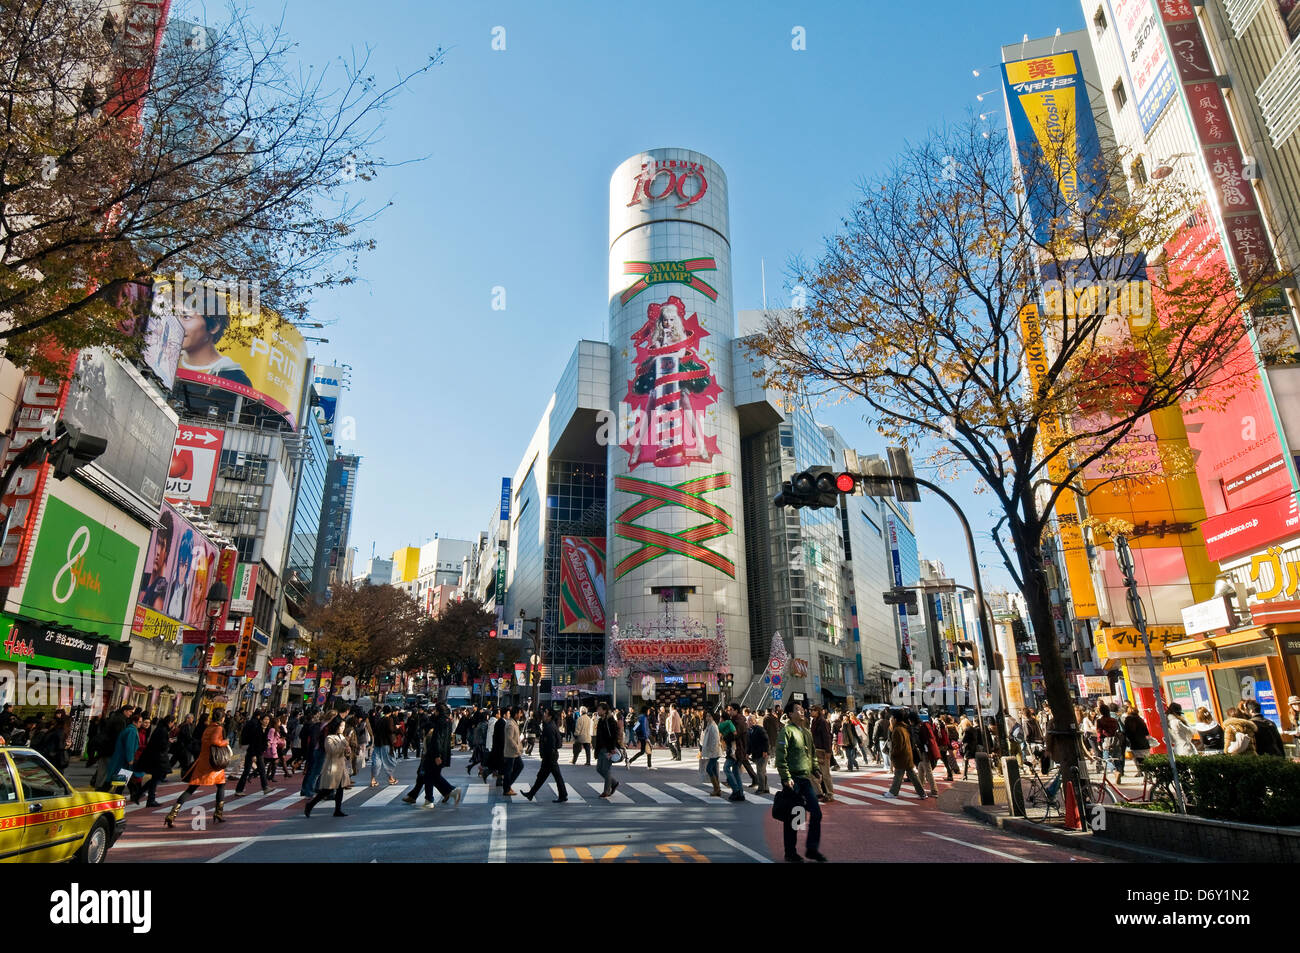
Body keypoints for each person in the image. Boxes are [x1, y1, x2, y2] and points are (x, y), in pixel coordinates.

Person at [775, 703, 826, 863]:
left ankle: (812, 848)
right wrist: (785, 777)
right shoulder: (786, 731)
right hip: (793, 781)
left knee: (816, 813)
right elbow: (780, 757)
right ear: (790, 714)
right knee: (795, 818)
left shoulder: (807, 732)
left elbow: (811, 754)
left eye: (802, 709)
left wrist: (816, 769)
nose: (802, 711)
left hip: (805, 779)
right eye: (797, 709)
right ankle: (790, 852)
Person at [166, 709, 230, 827]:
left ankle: (172, 813)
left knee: (191, 788)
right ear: (222, 718)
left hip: (203, 761)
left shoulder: (208, 728)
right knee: (221, 785)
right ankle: (218, 812)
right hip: (213, 763)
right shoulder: (218, 728)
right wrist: (225, 742)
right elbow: (215, 741)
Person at [304, 716, 351, 818]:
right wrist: (343, 746)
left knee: (340, 788)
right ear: (336, 726)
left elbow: (345, 752)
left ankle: (337, 810)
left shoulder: (341, 737)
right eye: (341, 726)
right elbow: (332, 751)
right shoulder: (329, 738)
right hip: (332, 766)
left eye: (344, 726)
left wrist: (348, 751)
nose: (343, 728)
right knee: (327, 790)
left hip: (341, 766)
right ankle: (310, 804)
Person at [523, 707, 568, 803]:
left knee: (554, 776)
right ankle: (531, 793)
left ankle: (563, 795)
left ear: (550, 716)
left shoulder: (550, 727)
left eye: (546, 713)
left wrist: (546, 755)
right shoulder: (550, 725)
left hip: (550, 756)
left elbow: (552, 744)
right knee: (543, 776)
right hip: (549, 756)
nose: (544, 714)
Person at [884, 711, 927, 799]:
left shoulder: (897, 730)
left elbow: (897, 746)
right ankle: (922, 793)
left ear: (895, 719)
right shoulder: (904, 728)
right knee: (912, 776)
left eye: (891, 718)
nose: (890, 720)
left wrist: (892, 755)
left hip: (901, 757)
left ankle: (893, 792)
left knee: (898, 775)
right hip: (907, 755)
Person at [235, 711, 274, 796]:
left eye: (268, 719)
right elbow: (253, 742)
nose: (267, 721)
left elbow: (262, 741)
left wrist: (266, 743)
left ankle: (265, 787)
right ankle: (239, 790)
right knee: (247, 771)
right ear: (261, 720)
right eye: (265, 719)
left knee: (260, 770)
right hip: (252, 752)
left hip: (259, 752)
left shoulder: (266, 729)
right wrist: (253, 755)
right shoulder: (257, 729)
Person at [594, 701, 621, 799]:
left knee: (606, 769)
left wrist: (612, 748)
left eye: (599, 709)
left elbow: (614, 735)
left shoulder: (610, 721)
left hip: (608, 748)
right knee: (599, 769)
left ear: (604, 711)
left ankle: (607, 791)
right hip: (601, 747)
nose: (598, 711)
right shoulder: (601, 720)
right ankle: (614, 783)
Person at [810, 707, 836, 802]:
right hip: (815, 749)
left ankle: (829, 794)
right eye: (811, 710)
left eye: (813, 710)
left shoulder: (822, 722)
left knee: (825, 774)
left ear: (818, 712)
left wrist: (828, 751)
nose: (811, 711)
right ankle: (821, 792)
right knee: (814, 773)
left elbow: (827, 737)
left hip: (822, 750)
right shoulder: (814, 721)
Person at [718, 708, 745, 801]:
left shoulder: (732, 723)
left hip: (734, 751)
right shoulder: (736, 722)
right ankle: (740, 794)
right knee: (736, 772)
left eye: (732, 710)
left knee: (726, 768)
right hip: (739, 750)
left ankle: (736, 790)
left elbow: (735, 735)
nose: (730, 712)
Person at [1121, 706, 1151, 777]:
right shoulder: (1140, 720)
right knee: (1145, 759)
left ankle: (1140, 772)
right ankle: (1147, 774)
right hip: (1144, 743)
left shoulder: (1127, 720)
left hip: (1134, 743)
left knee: (1137, 759)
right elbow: (1146, 732)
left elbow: (1127, 733)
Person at [700, 708, 723, 797]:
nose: (707, 718)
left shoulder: (713, 726)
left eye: (709, 716)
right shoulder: (710, 725)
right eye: (707, 716)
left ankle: (717, 788)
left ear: (713, 717)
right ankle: (717, 789)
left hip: (714, 752)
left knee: (709, 769)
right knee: (713, 769)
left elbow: (715, 740)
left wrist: (711, 751)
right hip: (712, 752)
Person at [501, 708, 524, 795]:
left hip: (514, 752)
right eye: (519, 713)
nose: (520, 715)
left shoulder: (513, 723)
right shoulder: (510, 724)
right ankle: (506, 788)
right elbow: (509, 739)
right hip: (511, 752)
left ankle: (507, 785)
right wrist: (517, 748)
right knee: (509, 770)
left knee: (519, 766)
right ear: (515, 714)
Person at [748, 713, 770, 794]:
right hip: (757, 753)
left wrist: (765, 751)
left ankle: (761, 789)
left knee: (760, 771)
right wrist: (748, 753)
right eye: (748, 721)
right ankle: (766, 788)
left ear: (754, 721)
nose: (749, 722)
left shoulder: (759, 729)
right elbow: (750, 744)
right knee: (762, 771)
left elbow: (766, 740)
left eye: (751, 721)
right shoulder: (751, 730)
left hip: (763, 753)